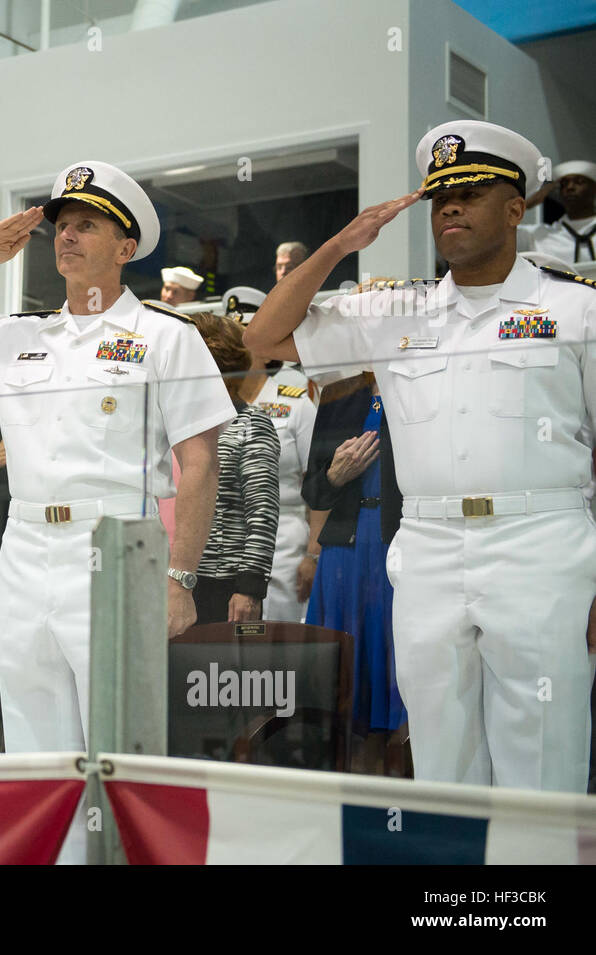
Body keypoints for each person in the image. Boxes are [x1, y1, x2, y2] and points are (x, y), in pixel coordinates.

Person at [244, 119, 596, 793]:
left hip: (543, 542)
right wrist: (340, 246)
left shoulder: (575, 310)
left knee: (543, 758)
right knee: (440, 752)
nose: (451, 208)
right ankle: (455, 897)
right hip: (429, 546)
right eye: (440, 198)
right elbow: (266, 334)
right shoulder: (398, 313)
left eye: (471, 194)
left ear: (518, 208)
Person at [0, 160, 233, 763]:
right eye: (62, 225)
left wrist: (180, 580)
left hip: (116, 544)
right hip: (23, 545)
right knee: (31, 737)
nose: (67, 235)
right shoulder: (20, 334)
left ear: (127, 248)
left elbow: (200, 464)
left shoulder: (167, 336)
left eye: (86, 225)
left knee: (121, 740)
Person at [302, 371, 405, 772]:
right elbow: (313, 489)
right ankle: (358, 799)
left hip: (401, 544)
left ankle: (408, 792)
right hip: (344, 551)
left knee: (402, 678)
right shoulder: (338, 393)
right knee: (347, 688)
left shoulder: (418, 382)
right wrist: (333, 475)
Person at [226, 286, 319, 622]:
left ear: (264, 350)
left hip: (283, 540)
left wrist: (313, 555)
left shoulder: (294, 402)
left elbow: (317, 483)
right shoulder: (214, 403)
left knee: (279, 643)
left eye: (242, 343)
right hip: (223, 539)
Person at [188, 312, 280, 624]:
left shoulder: (250, 423)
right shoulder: (173, 423)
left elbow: (263, 513)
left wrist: (250, 589)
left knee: (216, 673)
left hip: (225, 586)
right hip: (173, 576)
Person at [521, 160, 596, 266]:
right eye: (564, 184)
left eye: (579, 182)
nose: (570, 187)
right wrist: (525, 203)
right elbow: (494, 230)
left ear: (594, 189)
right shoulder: (540, 235)